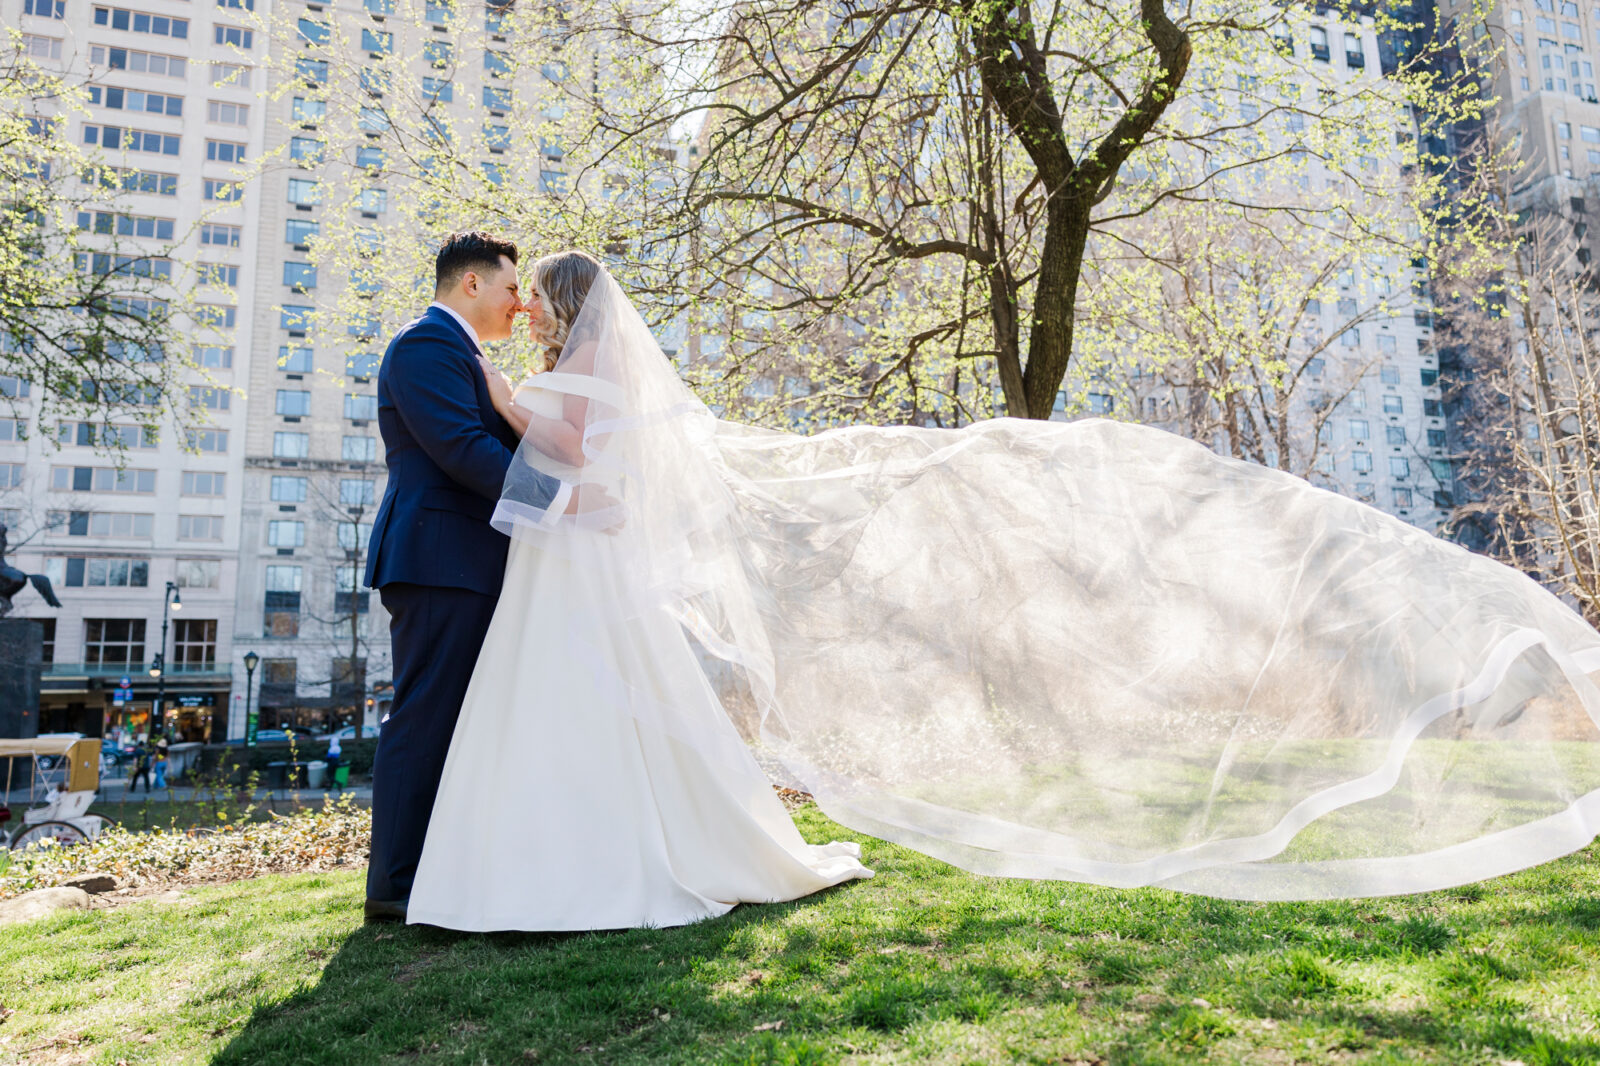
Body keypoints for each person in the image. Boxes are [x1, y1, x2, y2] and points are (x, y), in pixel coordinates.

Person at [404, 251, 1600, 928]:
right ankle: (572, 860)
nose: (521, 310)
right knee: (594, 722)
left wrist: (542, 451)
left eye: (533, 298)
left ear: (554, 310)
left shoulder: (561, 391)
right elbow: (547, 460)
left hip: (569, 576)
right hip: (566, 587)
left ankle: (556, 868)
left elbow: (570, 485)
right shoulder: (567, 386)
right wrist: (532, 428)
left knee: (574, 719)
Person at [360, 232, 603, 924]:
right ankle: (395, 884)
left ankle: (439, 870)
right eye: (507, 289)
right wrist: (564, 503)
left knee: (460, 720)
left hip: (472, 560)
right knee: (426, 715)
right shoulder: (425, 347)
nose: (518, 305)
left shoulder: (465, 356)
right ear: (472, 286)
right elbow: (462, 450)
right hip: (440, 560)